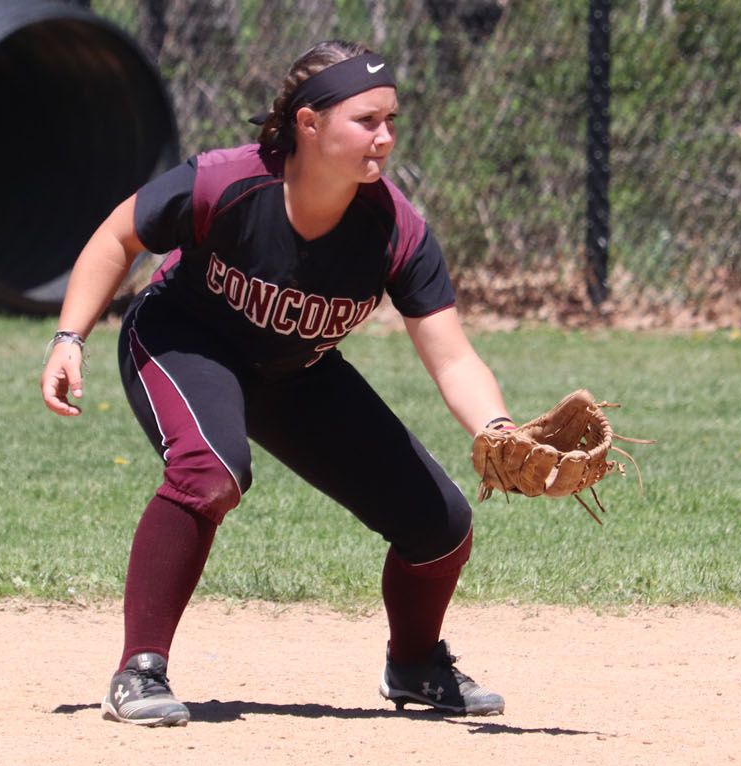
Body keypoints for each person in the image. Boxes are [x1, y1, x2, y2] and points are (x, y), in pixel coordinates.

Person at [40, 40, 516, 727]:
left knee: (442, 524)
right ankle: (138, 669)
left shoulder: (396, 231)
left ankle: (415, 664)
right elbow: (120, 236)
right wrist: (68, 337)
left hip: (299, 371)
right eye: (366, 120)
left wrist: (496, 427)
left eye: (391, 119)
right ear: (308, 123)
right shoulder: (225, 183)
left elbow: (453, 358)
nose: (384, 137)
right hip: (184, 337)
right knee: (210, 469)